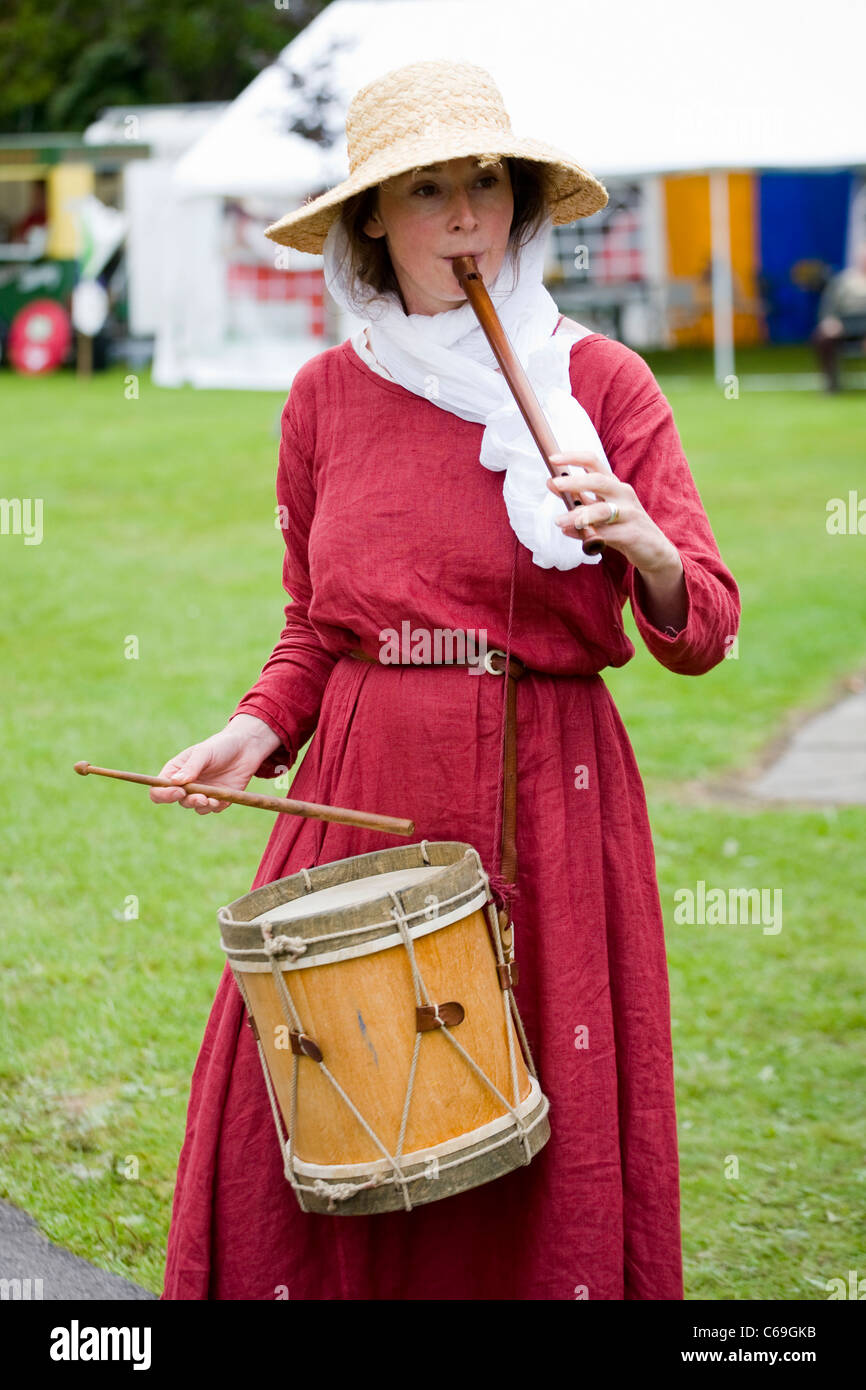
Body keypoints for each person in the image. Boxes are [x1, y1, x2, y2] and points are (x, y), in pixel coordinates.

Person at [153, 59, 740, 1301]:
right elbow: (315, 623)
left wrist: (642, 543)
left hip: (550, 786)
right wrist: (253, 729)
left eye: (487, 183)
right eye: (428, 190)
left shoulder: (598, 385)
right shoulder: (321, 398)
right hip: (365, 786)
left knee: (536, 1094)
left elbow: (703, 625)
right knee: (334, 1089)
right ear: (371, 217)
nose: (467, 215)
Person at [810, 242, 866, 392]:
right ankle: (831, 383)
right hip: (845, 325)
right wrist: (829, 321)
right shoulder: (843, 281)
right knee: (823, 336)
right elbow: (828, 307)